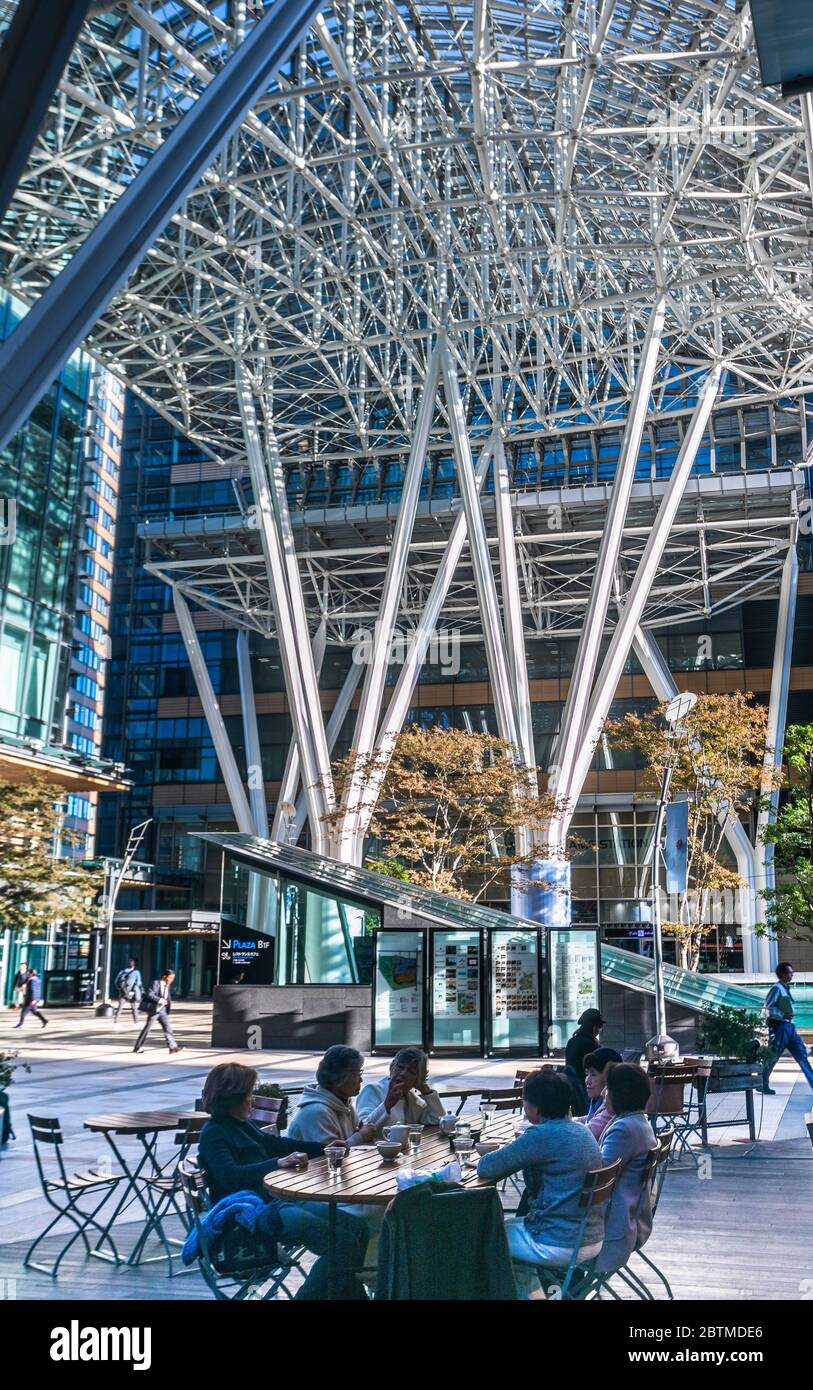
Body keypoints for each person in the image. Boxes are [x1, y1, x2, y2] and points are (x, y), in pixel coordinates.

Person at [198, 1063, 368, 1300]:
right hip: (252, 1215)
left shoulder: (240, 1125)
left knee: (358, 1228)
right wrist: (276, 1164)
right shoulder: (214, 1133)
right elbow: (229, 1176)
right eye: (249, 1094)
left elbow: (276, 1144)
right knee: (342, 1243)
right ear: (234, 1098)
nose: (253, 1100)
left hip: (277, 1201)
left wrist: (323, 1148)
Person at [477, 1070, 605, 1298]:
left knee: (484, 1235)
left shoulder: (541, 1136)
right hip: (591, 1236)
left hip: (558, 1240)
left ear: (534, 1108)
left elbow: (486, 1167)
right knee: (504, 1229)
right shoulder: (581, 1131)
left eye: (525, 1101)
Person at [594, 1063, 657, 1274]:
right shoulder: (638, 1122)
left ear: (620, 1094)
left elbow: (600, 1177)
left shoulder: (624, 1129)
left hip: (612, 1227)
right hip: (631, 1218)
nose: (603, 1093)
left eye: (608, 1088)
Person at [287, 1046, 379, 1147]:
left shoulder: (344, 1104)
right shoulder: (317, 1112)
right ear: (339, 1077)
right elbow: (328, 1156)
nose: (361, 1080)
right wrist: (361, 1136)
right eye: (357, 1073)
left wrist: (361, 1134)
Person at [356, 1047, 444, 1133]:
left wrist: (425, 1090)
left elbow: (438, 1119)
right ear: (391, 1068)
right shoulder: (372, 1090)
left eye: (411, 1072)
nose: (403, 1074)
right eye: (401, 1067)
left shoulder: (413, 1099)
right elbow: (363, 1127)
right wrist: (387, 1104)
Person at [761, 962, 813, 1095]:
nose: (792, 975)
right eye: (790, 972)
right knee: (773, 1056)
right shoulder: (777, 989)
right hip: (780, 1027)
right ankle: (762, 1083)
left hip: (789, 1027)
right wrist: (783, 1014)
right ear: (783, 974)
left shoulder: (785, 988)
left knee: (801, 1054)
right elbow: (769, 1008)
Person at [574, 1047, 622, 1140]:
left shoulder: (612, 1107)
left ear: (609, 1078)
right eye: (587, 1074)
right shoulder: (597, 1102)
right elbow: (590, 1118)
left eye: (593, 1074)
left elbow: (589, 1131)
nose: (587, 1081)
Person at [564, 1008, 607, 1113]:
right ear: (594, 1027)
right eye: (600, 1026)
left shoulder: (571, 1041)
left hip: (572, 1092)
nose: (600, 1030)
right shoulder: (591, 1045)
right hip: (587, 1091)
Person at [133, 970, 180, 1054]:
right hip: (154, 1010)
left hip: (162, 1010)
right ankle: (137, 1047)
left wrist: (167, 1006)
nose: (171, 980)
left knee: (168, 1028)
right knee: (147, 1029)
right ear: (164, 977)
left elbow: (167, 997)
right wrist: (160, 1000)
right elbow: (150, 994)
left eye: (173, 978)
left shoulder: (168, 985)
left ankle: (173, 1047)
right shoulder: (156, 983)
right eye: (170, 978)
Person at [113, 958, 143, 1025]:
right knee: (134, 1007)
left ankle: (116, 1022)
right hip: (131, 993)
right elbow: (138, 983)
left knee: (120, 1007)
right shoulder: (136, 972)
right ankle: (136, 1022)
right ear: (134, 964)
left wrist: (121, 989)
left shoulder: (122, 972)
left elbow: (115, 982)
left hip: (122, 992)